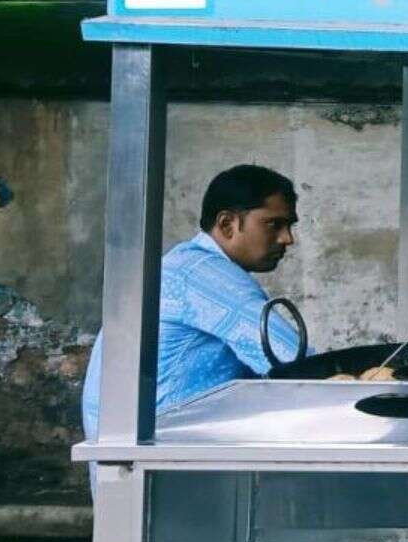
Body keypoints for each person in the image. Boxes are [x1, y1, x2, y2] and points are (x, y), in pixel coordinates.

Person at [81, 164, 306, 439]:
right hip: (158, 454)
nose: (287, 238)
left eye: (289, 225)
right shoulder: (206, 275)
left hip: (135, 447)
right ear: (227, 224)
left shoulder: (186, 264)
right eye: (274, 224)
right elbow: (300, 368)